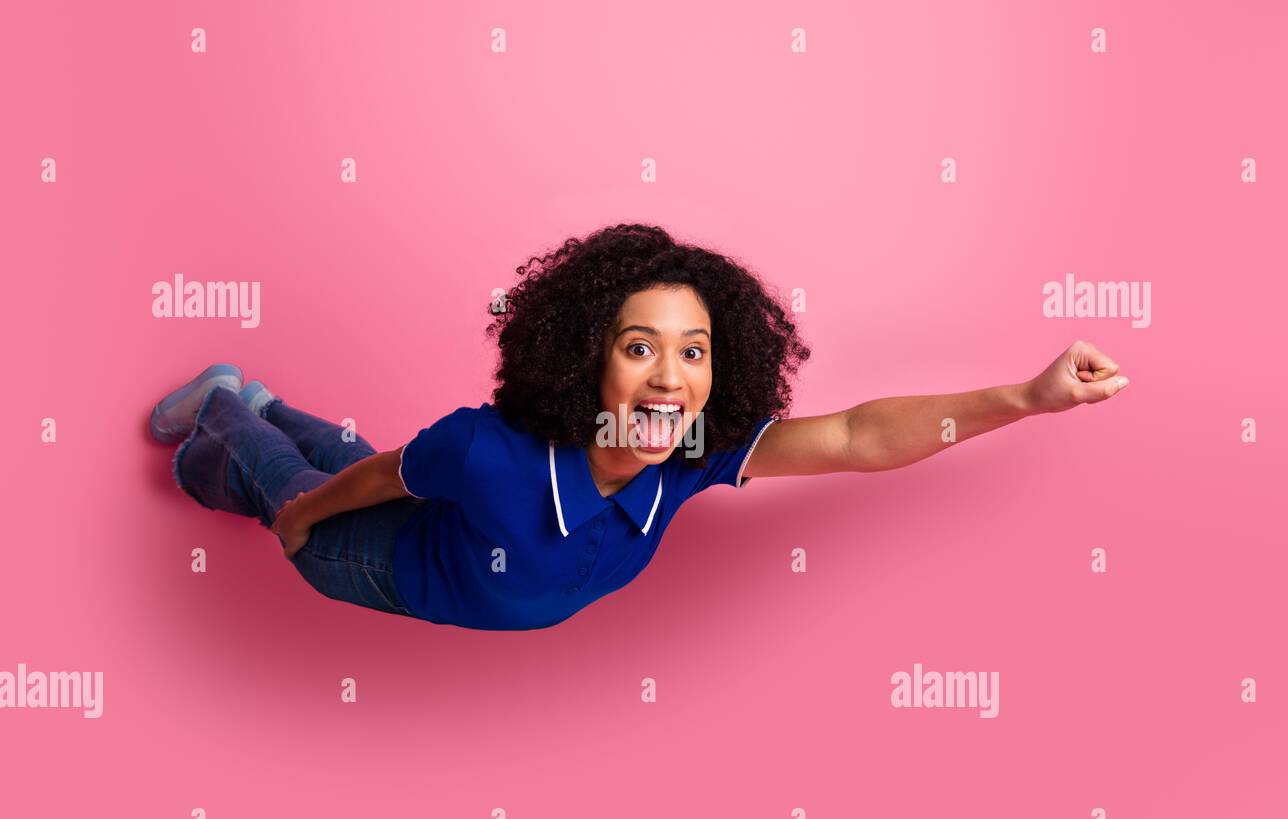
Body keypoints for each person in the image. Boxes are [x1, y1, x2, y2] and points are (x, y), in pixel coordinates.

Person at [151, 223, 1129, 631]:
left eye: (694, 351)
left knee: (346, 455)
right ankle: (230, 410)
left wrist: (1027, 398)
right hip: (371, 560)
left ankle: (263, 401)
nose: (670, 375)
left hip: (426, 517)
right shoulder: (489, 449)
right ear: (588, 358)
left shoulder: (691, 455)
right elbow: (385, 478)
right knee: (287, 483)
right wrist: (299, 515)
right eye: (640, 347)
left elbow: (851, 437)